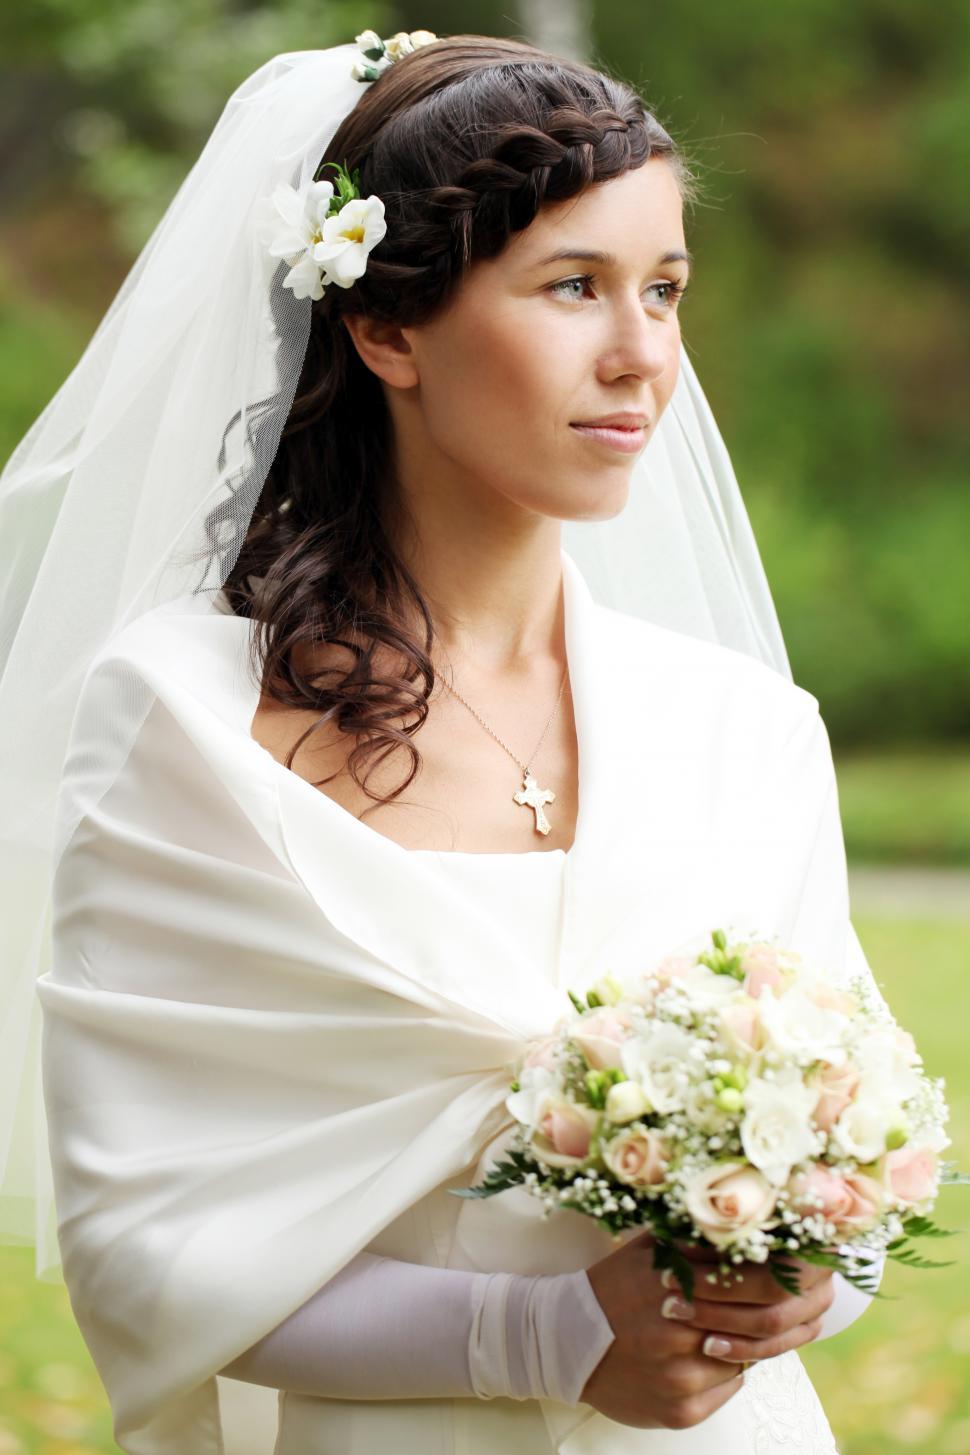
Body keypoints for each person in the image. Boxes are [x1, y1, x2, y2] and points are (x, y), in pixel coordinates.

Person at [0, 28, 888, 1455]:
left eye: (663, 291)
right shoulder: (183, 716)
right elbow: (145, 1245)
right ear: (384, 326)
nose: (641, 357)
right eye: (571, 288)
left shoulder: (746, 733)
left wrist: (788, 1280)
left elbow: (857, 1172)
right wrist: (544, 1337)